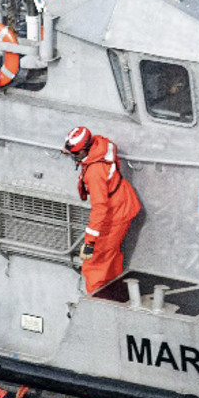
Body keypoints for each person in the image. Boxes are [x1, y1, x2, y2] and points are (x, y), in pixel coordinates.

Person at [65, 126, 143, 295]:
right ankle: (113, 293)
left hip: (114, 214)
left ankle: (96, 301)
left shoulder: (94, 172)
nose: (72, 157)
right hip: (122, 204)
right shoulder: (99, 146)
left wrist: (90, 242)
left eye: (75, 154)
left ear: (85, 150)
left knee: (95, 263)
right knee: (111, 257)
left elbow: (100, 208)